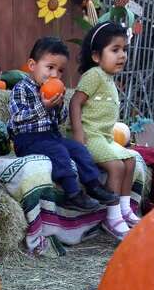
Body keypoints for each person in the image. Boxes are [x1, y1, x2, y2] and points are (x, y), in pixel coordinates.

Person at [9, 37, 118, 212]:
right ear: (32, 65)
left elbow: (60, 120)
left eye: (60, 71)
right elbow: (17, 119)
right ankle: (72, 193)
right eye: (50, 67)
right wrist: (42, 107)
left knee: (78, 148)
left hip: (51, 136)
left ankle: (93, 185)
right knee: (59, 152)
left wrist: (59, 107)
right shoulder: (22, 89)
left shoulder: (54, 91)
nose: (54, 75)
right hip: (27, 140)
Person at [70, 22, 142, 240]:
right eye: (115, 50)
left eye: (124, 50)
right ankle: (111, 217)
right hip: (90, 134)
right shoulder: (94, 75)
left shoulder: (109, 79)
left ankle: (124, 207)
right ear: (96, 56)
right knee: (117, 167)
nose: (122, 55)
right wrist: (78, 133)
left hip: (105, 137)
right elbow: (75, 102)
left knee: (131, 161)